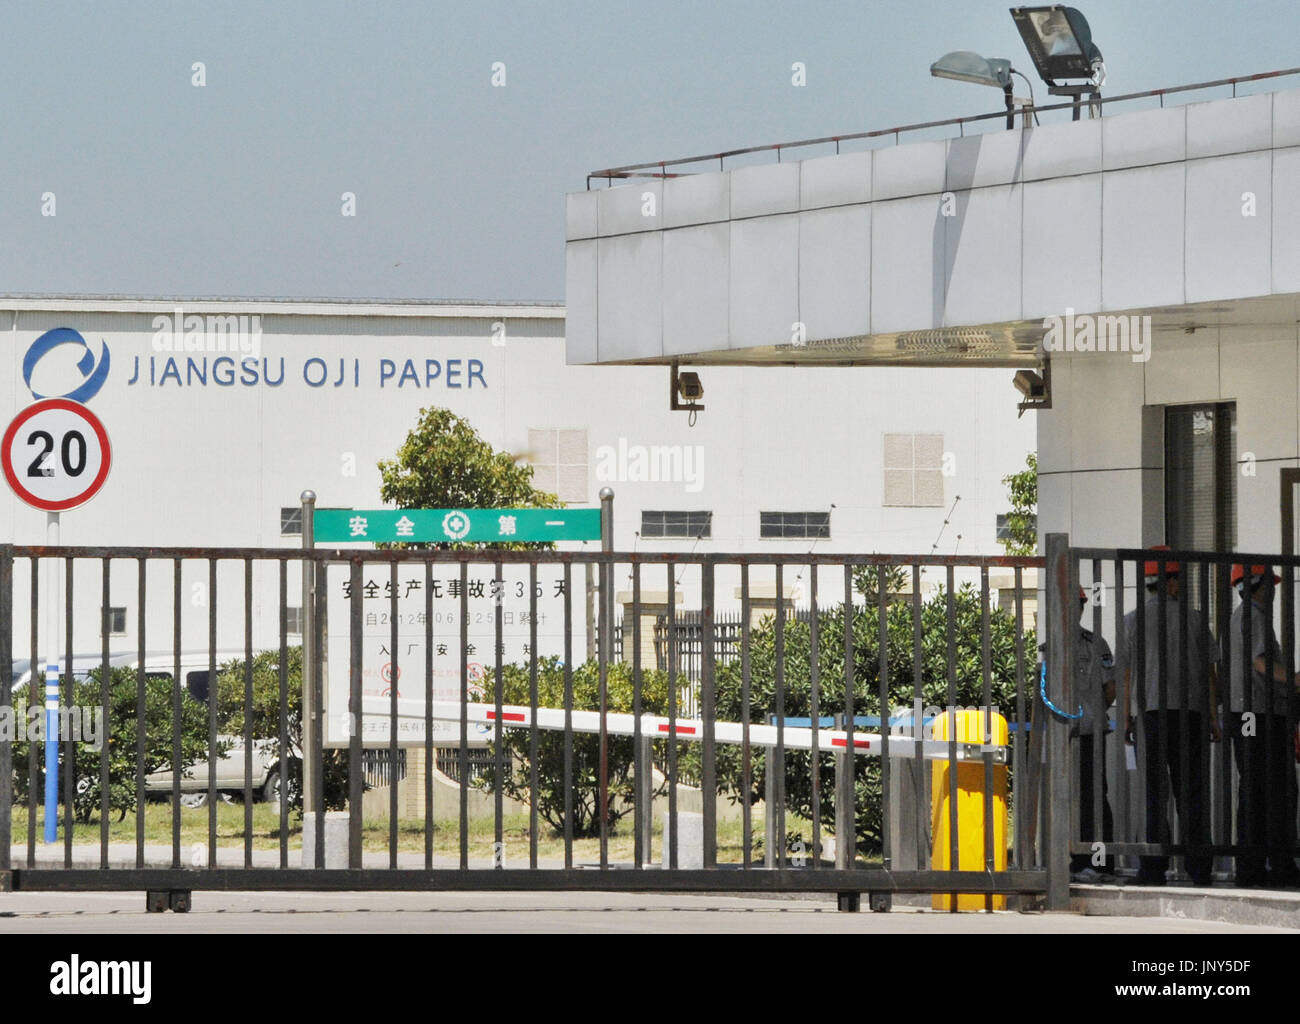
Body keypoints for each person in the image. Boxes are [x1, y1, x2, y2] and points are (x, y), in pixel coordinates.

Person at [1121, 546, 1219, 887]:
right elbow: (1209, 673)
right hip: (1191, 714)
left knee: (1154, 792)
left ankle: (1152, 868)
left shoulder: (1132, 621)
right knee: (1191, 793)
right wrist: (1213, 719)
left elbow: (1127, 673)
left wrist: (1126, 718)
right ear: (1172, 581)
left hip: (1151, 714)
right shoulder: (1194, 619)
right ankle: (1199, 868)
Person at [1221, 563, 1300, 887]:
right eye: (1271, 583)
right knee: (1272, 789)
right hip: (1258, 713)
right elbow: (1260, 661)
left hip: (1248, 713)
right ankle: (1273, 864)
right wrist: (1293, 680)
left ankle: (1255, 865)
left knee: (1256, 788)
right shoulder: (1253, 617)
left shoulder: (1241, 616)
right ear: (1256, 584)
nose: (1275, 589)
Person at [1040, 588, 1117, 881]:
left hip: (1083, 733)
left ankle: (1094, 861)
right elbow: (1108, 690)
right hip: (1066, 735)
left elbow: (1110, 689)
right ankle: (1078, 861)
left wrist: (1094, 712)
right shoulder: (1053, 647)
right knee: (1080, 797)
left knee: (1090, 798)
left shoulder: (1095, 645)